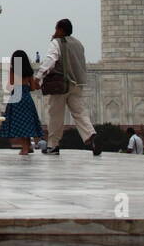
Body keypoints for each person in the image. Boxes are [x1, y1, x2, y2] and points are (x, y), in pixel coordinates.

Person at [32, 19, 100, 156]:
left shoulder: (57, 43)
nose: (55, 32)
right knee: (79, 113)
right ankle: (91, 135)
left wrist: (38, 77)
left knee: (55, 114)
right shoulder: (78, 44)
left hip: (61, 84)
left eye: (56, 29)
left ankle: (53, 145)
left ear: (61, 30)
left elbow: (50, 60)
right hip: (77, 84)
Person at [0, 49, 41, 155]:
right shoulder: (29, 72)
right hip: (27, 98)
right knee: (27, 123)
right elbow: (33, 87)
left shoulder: (13, 70)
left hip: (17, 98)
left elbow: (10, 84)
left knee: (19, 124)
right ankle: (28, 146)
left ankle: (25, 148)